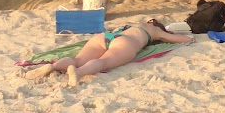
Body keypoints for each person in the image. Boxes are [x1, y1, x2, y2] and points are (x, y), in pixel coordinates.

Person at [31, 18, 193, 84]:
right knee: (103, 62)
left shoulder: (132, 23)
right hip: (126, 42)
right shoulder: (155, 31)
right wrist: (188, 38)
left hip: (107, 36)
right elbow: (182, 39)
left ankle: (53, 66)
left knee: (77, 59)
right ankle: (79, 73)